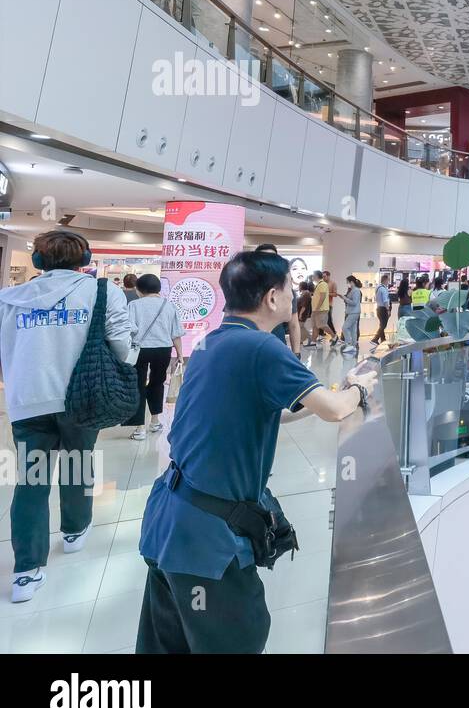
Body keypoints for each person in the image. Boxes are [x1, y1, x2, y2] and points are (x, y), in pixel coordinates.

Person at [136, 250, 377, 653]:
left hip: (169, 523)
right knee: (237, 637)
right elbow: (336, 410)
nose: (292, 297)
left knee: (169, 642)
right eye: (289, 289)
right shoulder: (263, 348)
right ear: (271, 298)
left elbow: (244, 414)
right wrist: (359, 387)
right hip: (207, 543)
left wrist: (313, 407)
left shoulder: (213, 342)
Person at [0, 230, 132, 603]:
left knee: (32, 479)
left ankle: (26, 571)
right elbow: (122, 343)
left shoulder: (9, 298)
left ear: (38, 262)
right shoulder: (100, 292)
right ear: (85, 259)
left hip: (29, 400)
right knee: (77, 462)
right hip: (83, 397)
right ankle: (74, 531)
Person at [125, 273, 183, 441]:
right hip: (163, 350)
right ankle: (155, 422)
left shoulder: (134, 305)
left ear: (139, 289)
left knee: (137, 385)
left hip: (139, 350)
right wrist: (179, 354)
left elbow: (129, 329)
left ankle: (139, 428)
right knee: (157, 383)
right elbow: (176, 334)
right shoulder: (169, 306)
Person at [310, 271, 332, 346]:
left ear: (316, 276)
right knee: (315, 326)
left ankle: (334, 337)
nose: (312, 277)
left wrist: (317, 308)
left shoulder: (323, 284)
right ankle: (313, 342)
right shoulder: (318, 285)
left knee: (321, 325)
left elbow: (322, 297)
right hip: (316, 309)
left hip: (321, 309)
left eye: (313, 275)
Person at [341, 275, 362, 354]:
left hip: (354, 312)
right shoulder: (353, 290)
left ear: (352, 282)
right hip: (352, 312)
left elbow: (354, 302)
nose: (347, 284)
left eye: (347, 282)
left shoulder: (356, 290)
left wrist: (345, 298)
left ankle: (349, 344)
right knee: (353, 329)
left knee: (345, 328)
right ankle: (353, 345)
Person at [373, 274, 391, 345]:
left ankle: (383, 339)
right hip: (383, 309)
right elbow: (385, 301)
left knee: (382, 324)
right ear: (385, 280)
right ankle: (375, 338)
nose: (388, 282)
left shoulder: (378, 287)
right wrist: (388, 310)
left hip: (378, 308)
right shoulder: (383, 289)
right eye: (388, 280)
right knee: (383, 325)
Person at [296, 281, 315, 346]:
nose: (298, 287)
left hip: (303, 313)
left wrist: (300, 314)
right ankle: (301, 340)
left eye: (299, 286)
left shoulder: (306, 294)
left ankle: (310, 338)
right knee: (300, 327)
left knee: (300, 326)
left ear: (301, 286)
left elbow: (304, 306)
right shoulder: (304, 293)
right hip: (301, 313)